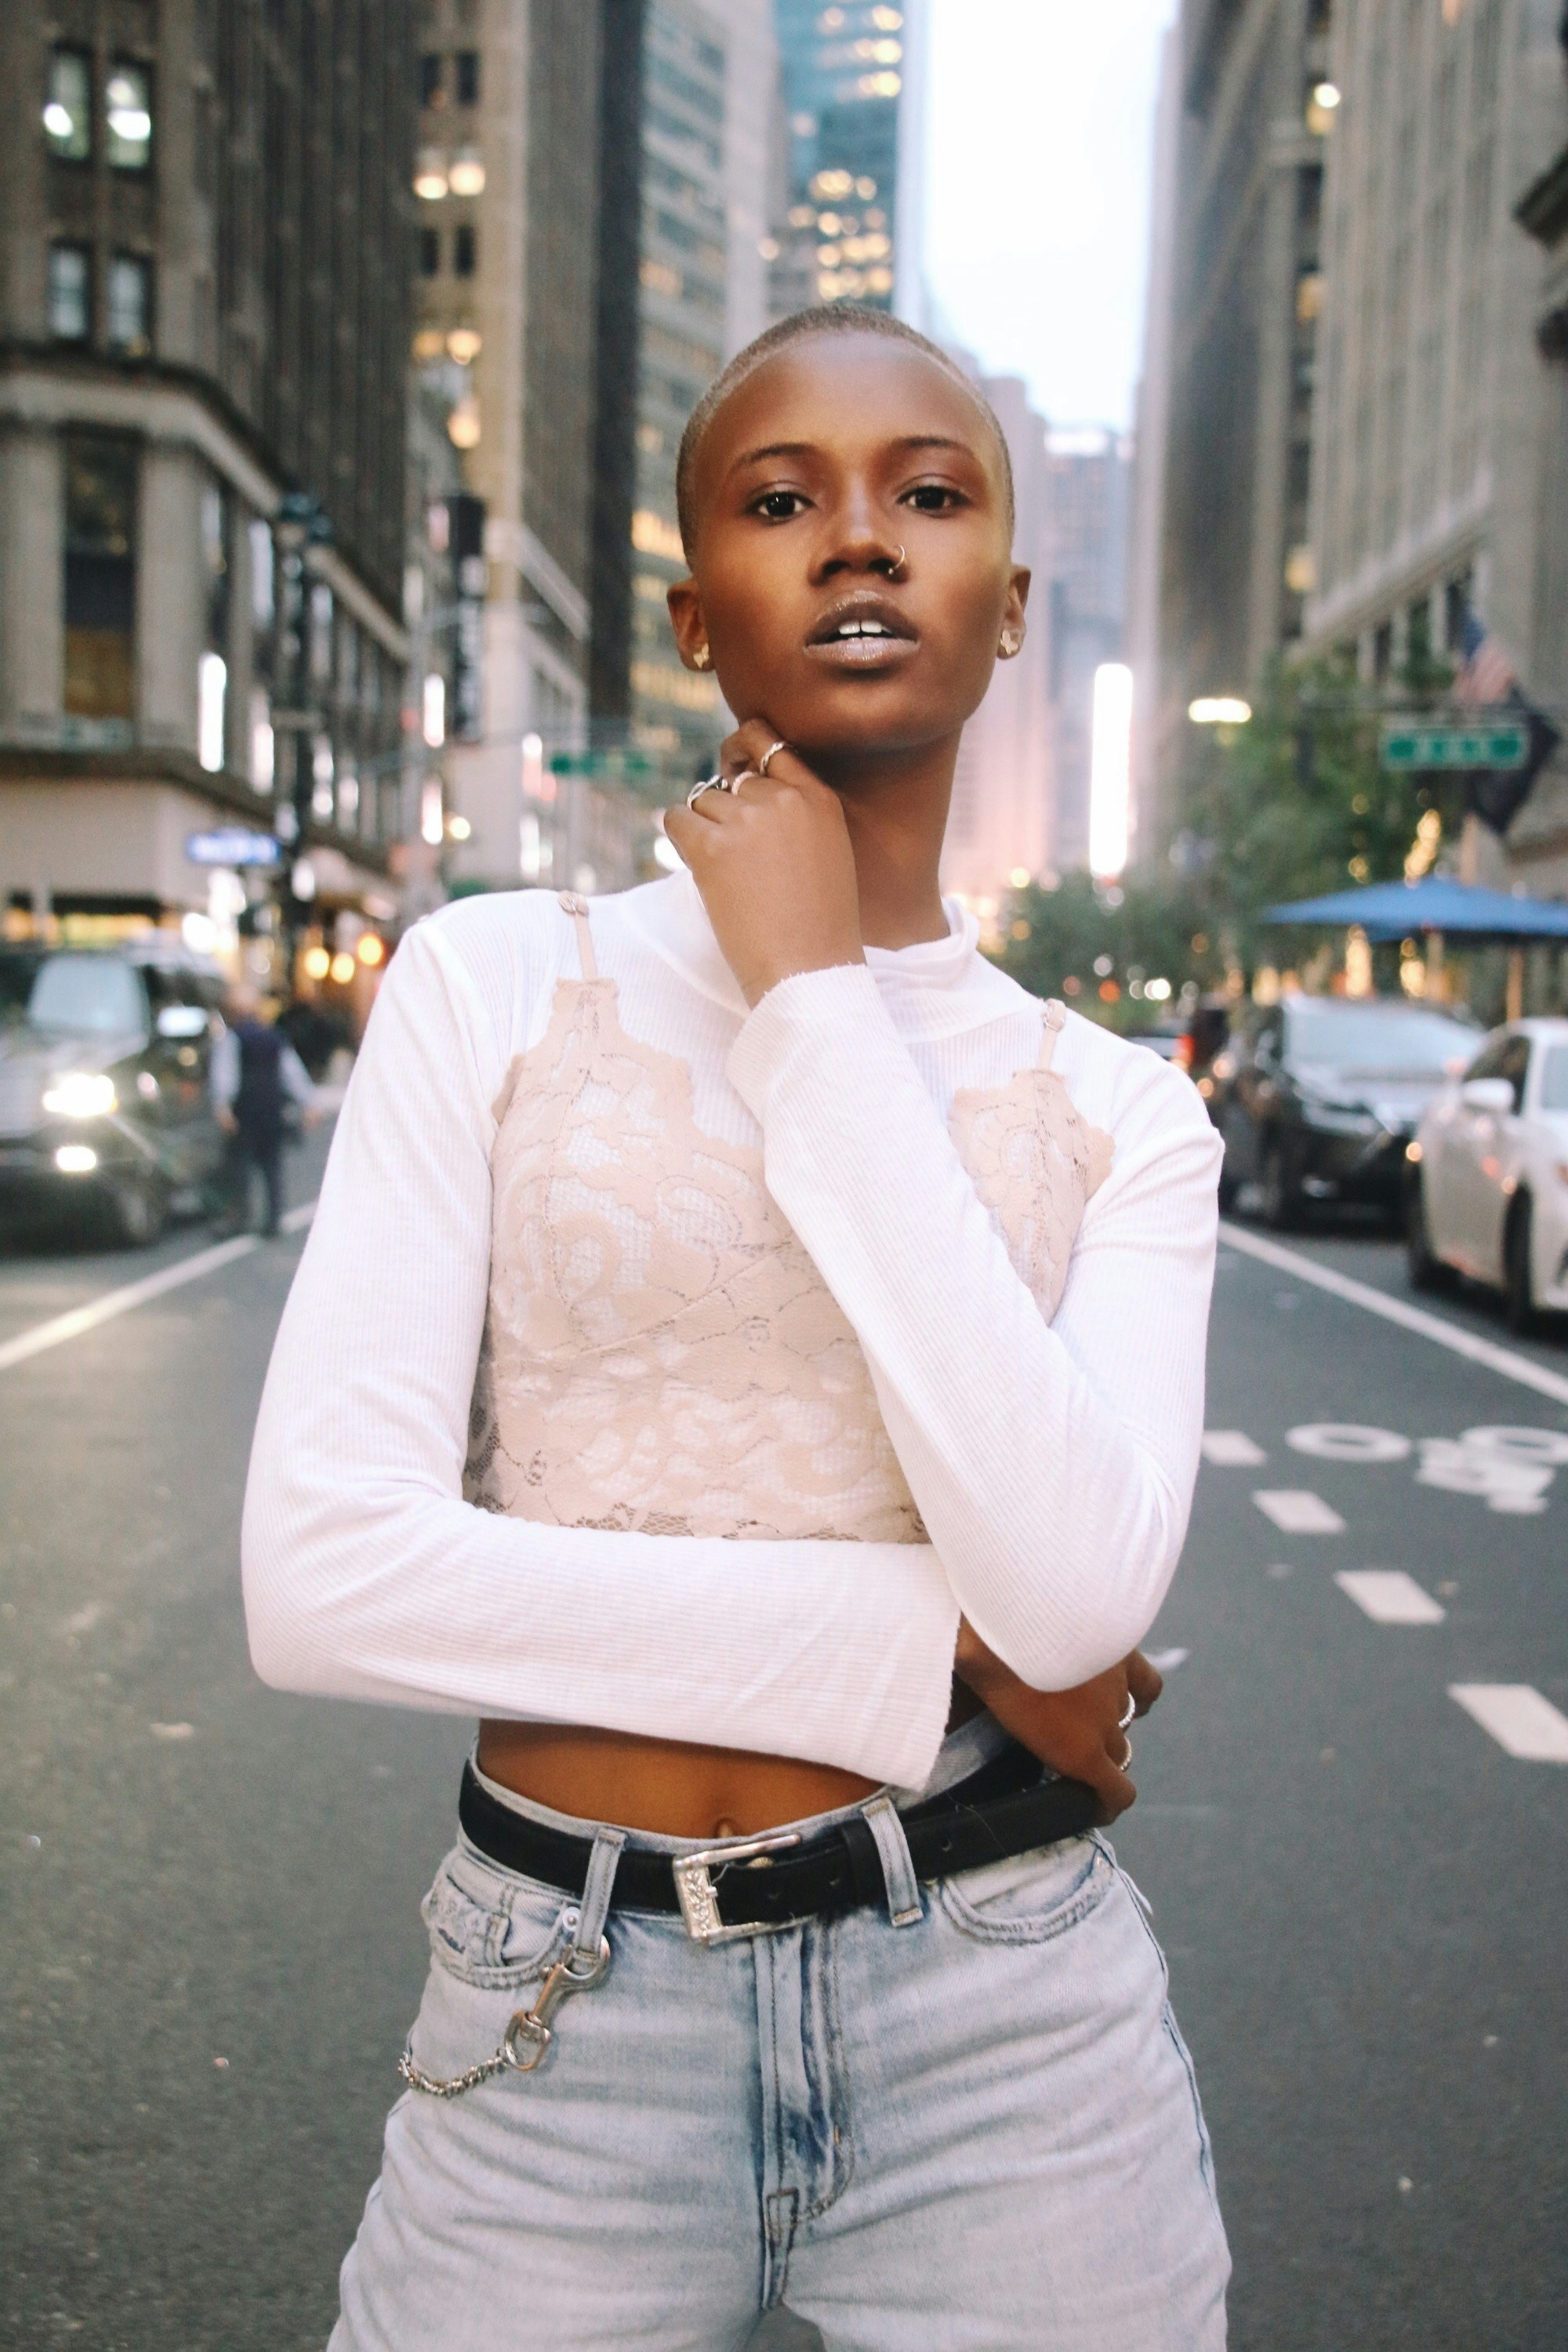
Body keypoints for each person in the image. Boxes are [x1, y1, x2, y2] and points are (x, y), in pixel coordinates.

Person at [243, 307, 1229, 2348]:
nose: (859, 538)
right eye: (782, 503)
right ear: (698, 617)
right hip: (560, 2001)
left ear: (1008, 601)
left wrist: (812, 1003)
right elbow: (326, 1578)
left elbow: (1073, 1604)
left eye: (927, 496)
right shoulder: (490, 982)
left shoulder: (1125, 1112)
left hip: (1013, 2028)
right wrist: (937, 1647)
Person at [211, 985, 316, 1238]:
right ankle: (273, 1219)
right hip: (271, 1109)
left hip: (245, 1111)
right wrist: (309, 1102)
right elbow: (292, 1073)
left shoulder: (233, 1038)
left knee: (240, 1167)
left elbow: (224, 1076)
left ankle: (242, 1217)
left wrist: (223, 1107)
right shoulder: (274, 1038)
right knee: (272, 1167)